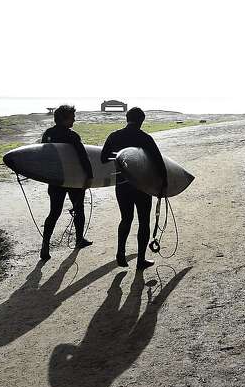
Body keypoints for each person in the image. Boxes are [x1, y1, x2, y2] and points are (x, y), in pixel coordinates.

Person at [101, 107, 168, 270]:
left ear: (127, 118)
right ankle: (141, 260)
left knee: (126, 219)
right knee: (144, 221)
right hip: (142, 186)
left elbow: (103, 158)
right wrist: (164, 184)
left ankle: (120, 253)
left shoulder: (114, 136)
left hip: (122, 185)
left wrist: (120, 157)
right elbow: (159, 162)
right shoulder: (145, 138)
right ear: (141, 121)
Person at [40, 104, 94, 260]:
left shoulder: (48, 133)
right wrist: (89, 176)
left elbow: (43, 155)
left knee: (54, 212)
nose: (74, 120)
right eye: (72, 117)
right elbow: (83, 156)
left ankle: (45, 245)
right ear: (64, 119)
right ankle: (79, 239)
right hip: (72, 179)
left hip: (56, 179)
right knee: (79, 208)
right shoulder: (72, 136)